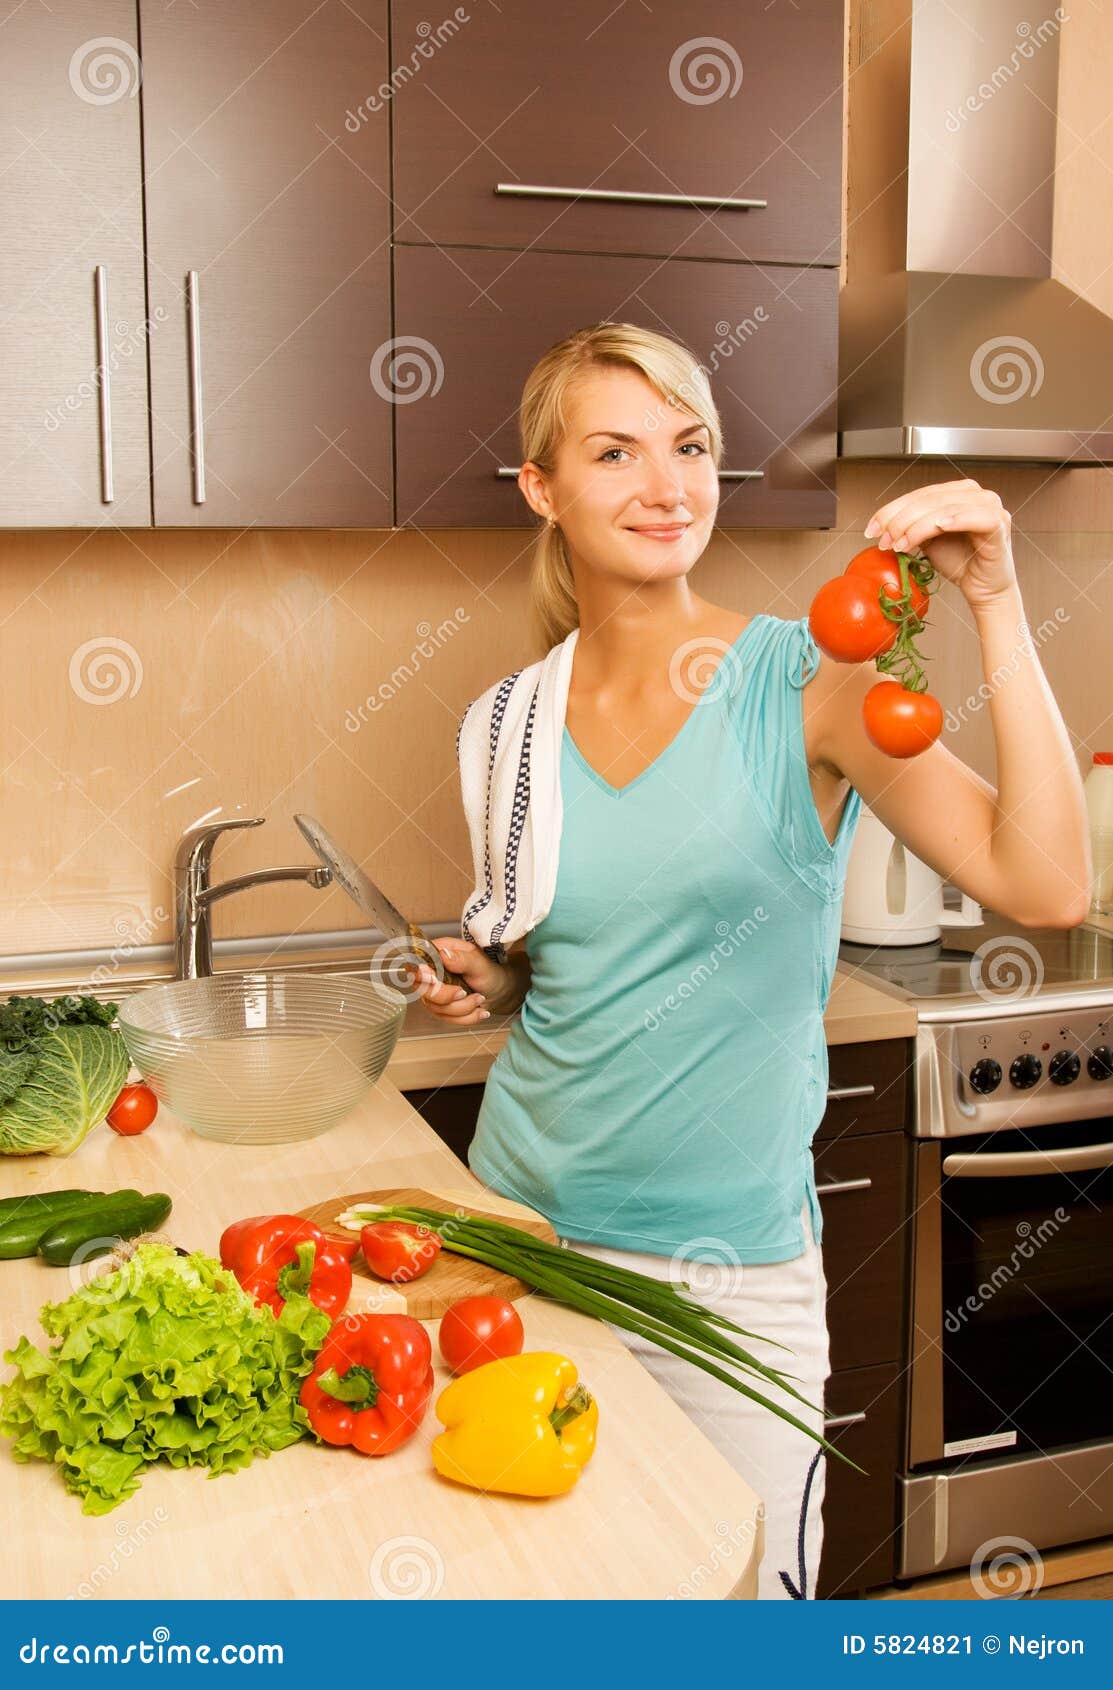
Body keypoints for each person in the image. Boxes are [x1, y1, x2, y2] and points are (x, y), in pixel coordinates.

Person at [413, 321, 1090, 1598]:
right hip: (522, 1243)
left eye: (691, 446)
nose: (667, 486)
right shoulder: (505, 723)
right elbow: (552, 953)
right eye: (615, 452)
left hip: (726, 1276)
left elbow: (1049, 883)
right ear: (544, 491)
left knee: (743, 1617)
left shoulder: (808, 683)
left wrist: (997, 600)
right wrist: (489, 976)